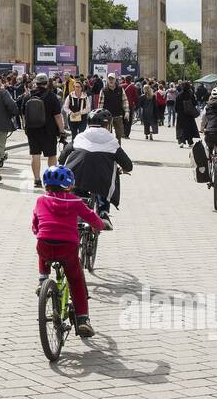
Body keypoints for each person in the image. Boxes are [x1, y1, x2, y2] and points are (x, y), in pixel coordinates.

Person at [32, 164, 103, 339]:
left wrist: (37, 231)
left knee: (42, 247)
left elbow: (35, 223)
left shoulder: (41, 200)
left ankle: (43, 279)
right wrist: (99, 226)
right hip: (67, 246)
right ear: (70, 185)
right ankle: (82, 319)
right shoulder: (76, 202)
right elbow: (93, 218)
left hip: (45, 244)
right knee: (76, 280)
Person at [59, 108, 134, 211]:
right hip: (101, 177)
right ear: (108, 125)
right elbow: (128, 165)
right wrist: (122, 169)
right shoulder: (112, 141)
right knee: (103, 188)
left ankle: (74, 208)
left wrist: (61, 165)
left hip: (78, 176)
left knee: (76, 190)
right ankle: (103, 212)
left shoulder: (79, 137)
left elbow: (63, 155)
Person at [23, 73, 66, 190]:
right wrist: (62, 131)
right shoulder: (52, 96)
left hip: (32, 130)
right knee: (51, 155)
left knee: (35, 155)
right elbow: (58, 116)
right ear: (47, 83)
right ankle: (52, 180)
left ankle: (37, 180)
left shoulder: (28, 95)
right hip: (49, 130)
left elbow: (23, 113)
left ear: (35, 83)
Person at [174, 80, 199, 148]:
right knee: (189, 128)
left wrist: (178, 111)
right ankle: (190, 142)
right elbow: (195, 103)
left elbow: (176, 106)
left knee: (181, 128)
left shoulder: (179, 95)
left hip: (181, 114)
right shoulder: (191, 94)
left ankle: (181, 142)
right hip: (189, 114)